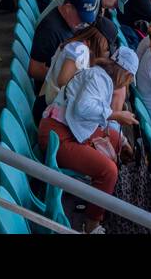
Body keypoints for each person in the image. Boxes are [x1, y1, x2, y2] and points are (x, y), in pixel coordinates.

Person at [39, 59, 136, 233]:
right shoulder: (99, 78)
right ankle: (91, 224)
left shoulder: (100, 76)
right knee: (109, 171)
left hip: (66, 127)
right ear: (126, 75)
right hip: (58, 135)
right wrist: (115, 115)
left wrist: (122, 140)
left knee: (116, 139)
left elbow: (87, 116)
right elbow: (83, 108)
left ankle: (102, 196)